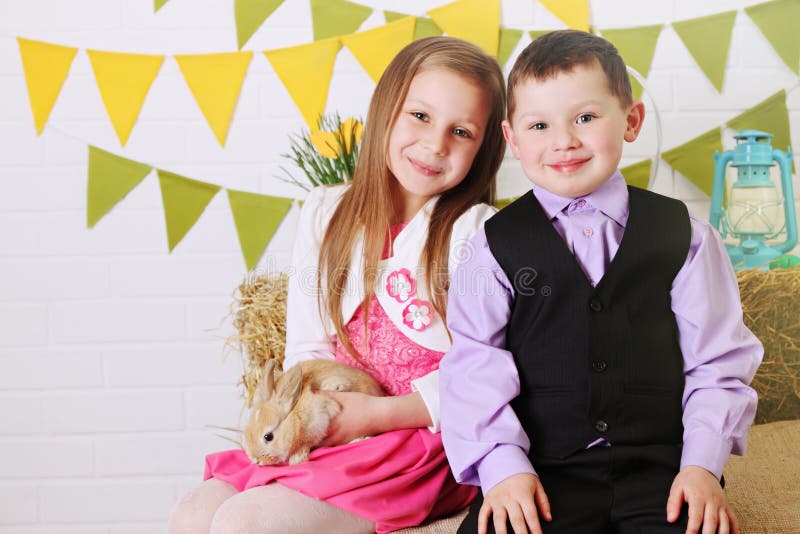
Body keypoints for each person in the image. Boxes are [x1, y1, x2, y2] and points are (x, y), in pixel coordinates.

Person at [168, 36, 506, 534]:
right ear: (386, 110)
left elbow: (486, 371)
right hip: (332, 427)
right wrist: (310, 420)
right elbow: (305, 348)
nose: (436, 144)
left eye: (461, 131)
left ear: (483, 149)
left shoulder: (472, 231)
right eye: (420, 116)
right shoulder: (327, 212)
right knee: (195, 512)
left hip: (419, 440)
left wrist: (376, 415)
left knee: (247, 523)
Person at [439, 29, 763, 534]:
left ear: (630, 120)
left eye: (585, 118)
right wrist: (503, 470)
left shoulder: (687, 237)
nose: (564, 141)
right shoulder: (491, 246)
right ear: (512, 139)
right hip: (542, 472)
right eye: (540, 124)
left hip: (662, 470)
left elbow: (717, 362)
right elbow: (472, 368)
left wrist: (703, 466)